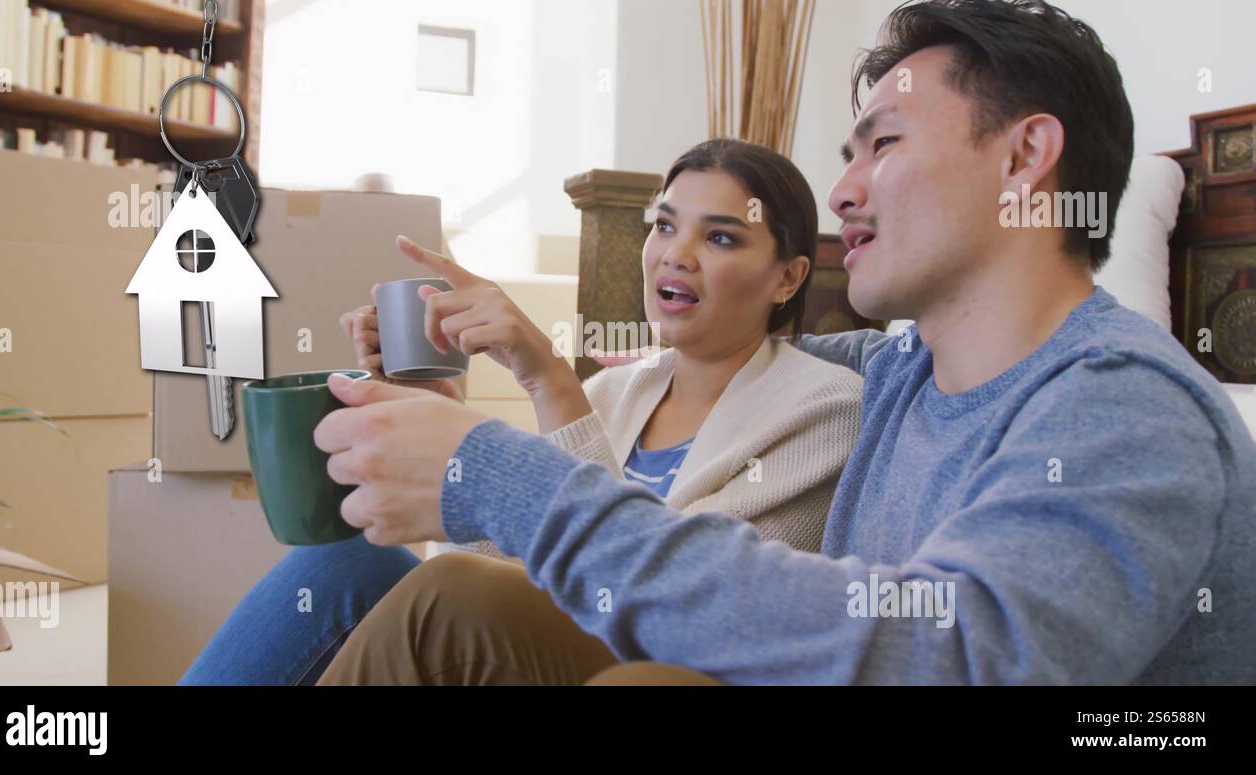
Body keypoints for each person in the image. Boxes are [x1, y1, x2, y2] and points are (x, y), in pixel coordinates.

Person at [313, 0, 1256, 685]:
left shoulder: (1126, 403)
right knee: (452, 600)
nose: (842, 194)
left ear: (1023, 156)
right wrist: (467, 372)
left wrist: (502, 470)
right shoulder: (901, 369)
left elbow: (956, 654)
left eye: (881, 145)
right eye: (847, 156)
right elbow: (712, 355)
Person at [179, 139, 863, 685]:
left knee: (440, 591)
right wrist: (444, 434)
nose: (674, 255)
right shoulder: (619, 392)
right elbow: (489, 564)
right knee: (343, 566)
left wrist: (548, 378)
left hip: (654, 662)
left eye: (720, 238)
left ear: (788, 277)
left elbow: (662, 599)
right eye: (664, 225)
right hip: (541, 642)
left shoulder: (822, 410)